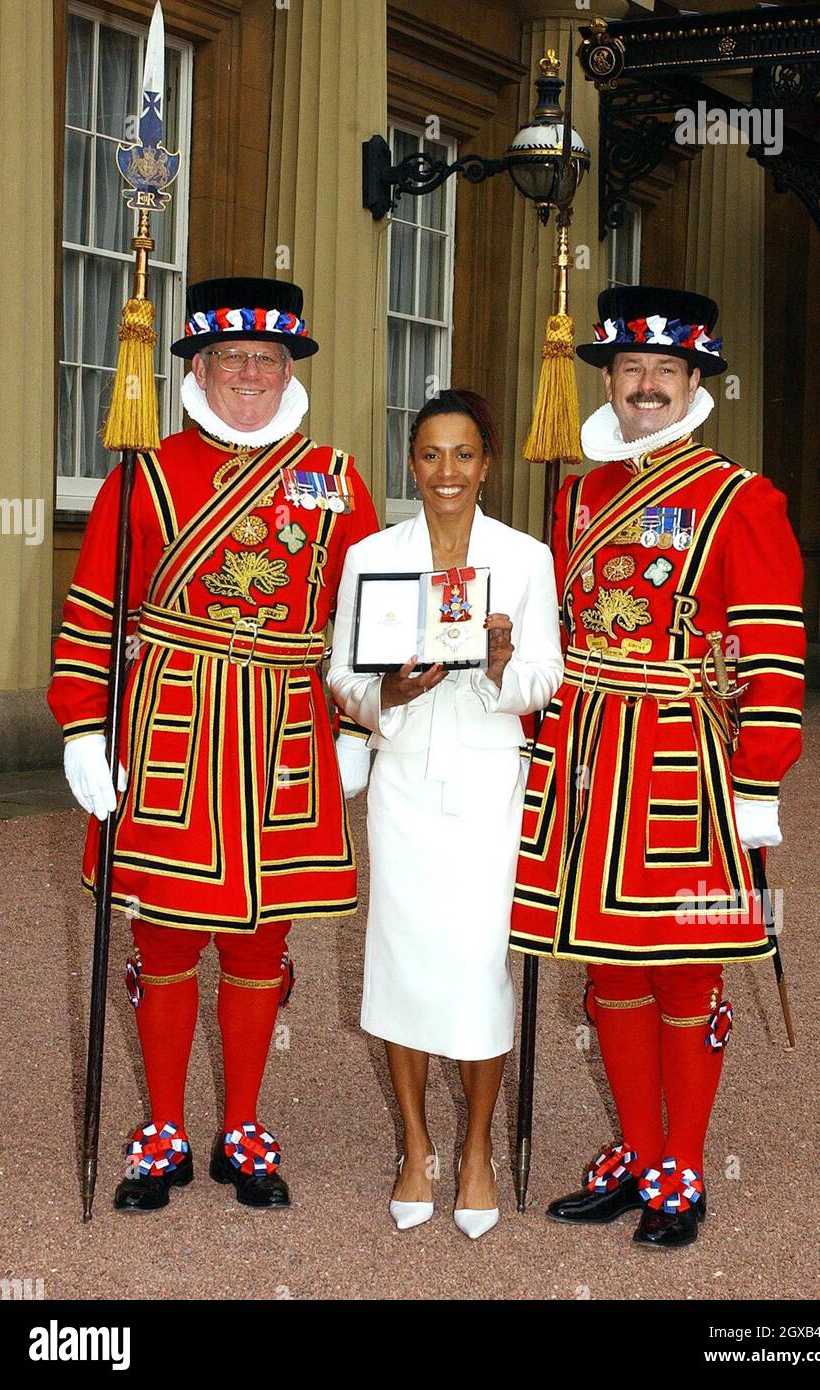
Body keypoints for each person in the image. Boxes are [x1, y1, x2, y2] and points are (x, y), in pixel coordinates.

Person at [48, 276, 377, 1211]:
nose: (248, 375)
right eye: (229, 357)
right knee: (165, 934)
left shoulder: (337, 478)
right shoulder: (142, 475)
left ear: (289, 372)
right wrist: (83, 724)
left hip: (285, 736)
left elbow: (362, 623)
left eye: (266, 360)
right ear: (196, 367)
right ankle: (161, 1126)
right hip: (169, 736)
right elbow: (97, 612)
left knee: (259, 943)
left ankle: (242, 1123)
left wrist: (356, 722)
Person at [510, 286, 805, 1248]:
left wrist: (760, 779)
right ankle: (639, 1150)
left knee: (688, 968)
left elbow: (770, 648)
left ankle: (685, 1166)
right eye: (631, 369)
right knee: (609, 970)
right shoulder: (578, 494)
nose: (646, 386)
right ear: (609, 378)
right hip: (588, 753)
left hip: (688, 760)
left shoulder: (741, 497)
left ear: (693, 384)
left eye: (665, 372)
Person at [328, 390, 562, 1238]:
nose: (446, 472)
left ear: (487, 463)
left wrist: (501, 665)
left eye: (463, 455)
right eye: (430, 455)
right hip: (403, 783)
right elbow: (341, 675)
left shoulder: (526, 557)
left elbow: (547, 678)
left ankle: (475, 1150)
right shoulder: (370, 555)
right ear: (412, 463)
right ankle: (415, 1143)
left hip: (487, 782)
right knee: (402, 963)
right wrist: (384, 690)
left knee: (472, 968)